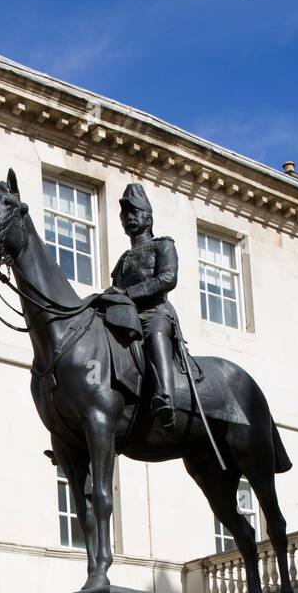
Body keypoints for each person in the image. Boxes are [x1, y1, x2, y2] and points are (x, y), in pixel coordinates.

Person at [108, 183, 178, 428]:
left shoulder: (163, 246)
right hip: (125, 315)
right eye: (125, 215)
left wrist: (128, 292)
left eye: (134, 213)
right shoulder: (123, 260)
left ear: (148, 218)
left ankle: (165, 396)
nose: (129, 219)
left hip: (154, 311)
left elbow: (167, 279)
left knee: (155, 332)